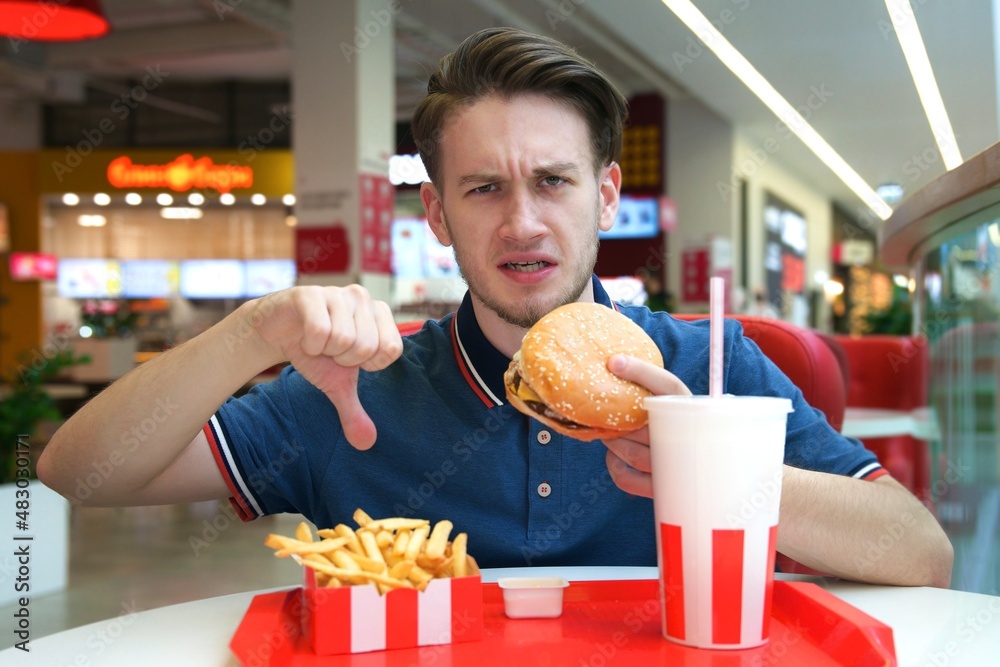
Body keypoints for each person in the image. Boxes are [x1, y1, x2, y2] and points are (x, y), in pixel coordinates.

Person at [38, 28, 952, 585]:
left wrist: (709, 466)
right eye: (483, 189)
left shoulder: (707, 367)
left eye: (553, 181)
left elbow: (922, 553)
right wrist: (251, 333)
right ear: (436, 213)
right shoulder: (355, 384)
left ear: (604, 196)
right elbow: (77, 475)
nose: (524, 222)